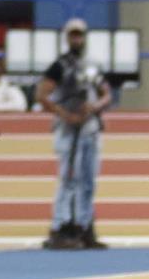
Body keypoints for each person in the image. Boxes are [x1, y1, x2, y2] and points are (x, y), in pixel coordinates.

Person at [40, 19, 111, 250]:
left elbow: (106, 93)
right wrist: (65, 115)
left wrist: (95, 107)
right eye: (73, 35)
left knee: (88, 181)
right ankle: (61, 225)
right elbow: (42, 95)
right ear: (67, 37)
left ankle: (85, 225)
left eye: (80, 35)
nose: (76, 39)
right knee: (69, 179)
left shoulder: (92, 66)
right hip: (69, 130)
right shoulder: (59, 66)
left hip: (90, 129)